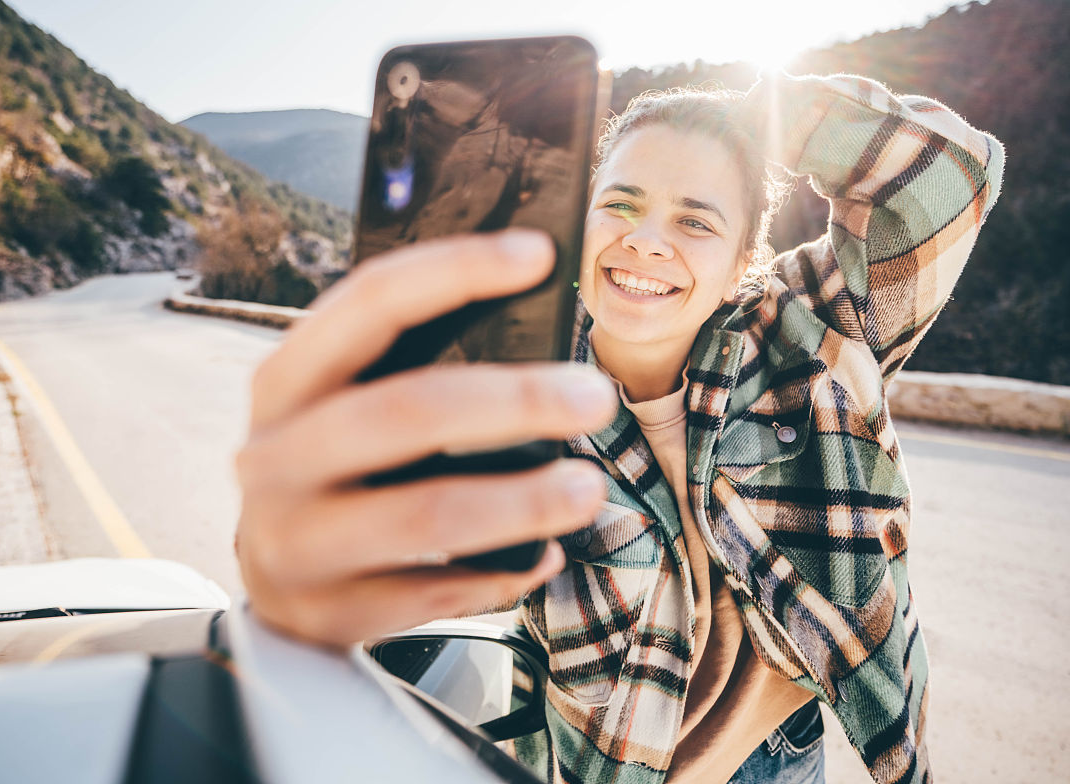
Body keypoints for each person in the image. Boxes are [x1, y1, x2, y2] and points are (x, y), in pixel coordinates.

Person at [234, 71, 1004, 784]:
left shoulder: (812, 329)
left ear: (745, 260)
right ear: (579, 222)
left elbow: (951, 176)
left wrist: (770, 122)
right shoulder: (510, 390)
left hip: (786, 755)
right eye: (622, 203)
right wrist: (303, 547)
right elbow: (392, 551)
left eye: (695, 220)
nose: (646, 240)